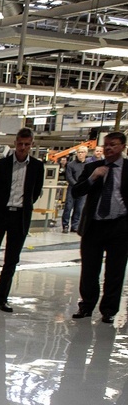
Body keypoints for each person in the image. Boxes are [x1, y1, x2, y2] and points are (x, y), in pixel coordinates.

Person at [0, 127, 44, 313]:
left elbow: (35, 192)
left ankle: (2, 299)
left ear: (32, 145)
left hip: (19, 217)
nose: (22, 147)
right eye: (20, 144)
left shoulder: (37, 167)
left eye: (26, 144)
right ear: (15, 143)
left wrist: (22, 205)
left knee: (11, 260)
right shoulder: (1, 165)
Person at [69, 131, 128, 324]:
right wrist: (92, 178)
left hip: (119, 226)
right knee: (89, 268)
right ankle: (86, 306)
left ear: (123, 147)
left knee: (115, 271)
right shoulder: (93, 167)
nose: (109, 148)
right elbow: (76, 192)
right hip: (94, 226)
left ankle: (109, 310)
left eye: (113, 144)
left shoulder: (127, 168)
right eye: (106, 144)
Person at [63, 146, 88, 233]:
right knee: (68, 207)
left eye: (82, 152)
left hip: (83, 190)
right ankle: (65, 225)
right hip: (72, 189)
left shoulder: (88, 165)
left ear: (86, 153)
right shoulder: (70, 165)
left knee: (79, 209)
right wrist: (76, 185)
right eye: (79, 152)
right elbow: (69, 177)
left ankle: (75, 226)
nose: (80, 154)